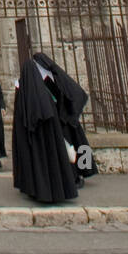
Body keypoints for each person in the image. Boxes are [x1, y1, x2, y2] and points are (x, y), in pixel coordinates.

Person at [12, 56, 80, 203]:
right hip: (52, 133)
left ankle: (40, 189)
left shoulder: (24, 92)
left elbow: (20, 117)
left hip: (34, 135)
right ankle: (64, 185)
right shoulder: (43, 91)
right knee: (55, 160)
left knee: (38, 162)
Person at [32, 52, 98, 185]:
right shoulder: (46, 79)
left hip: (66, 118)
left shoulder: (54, 78)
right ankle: (76, 175)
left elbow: (72, 95)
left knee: (74, 148)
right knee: (72, 148)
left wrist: (67, 113)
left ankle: (78, 176)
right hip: (63, 118)